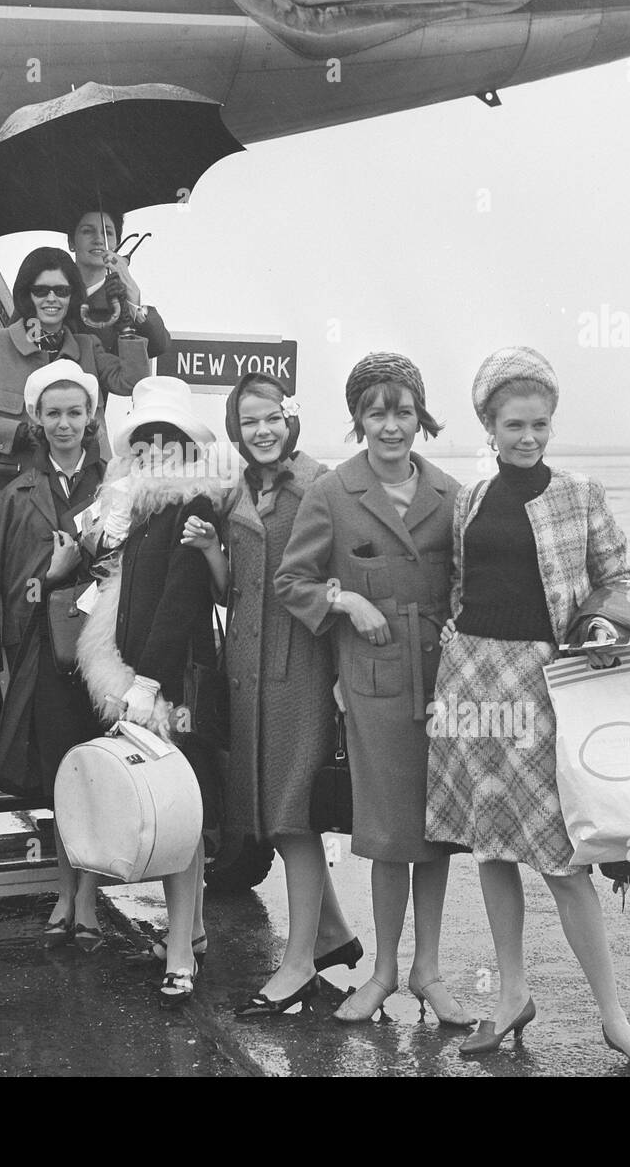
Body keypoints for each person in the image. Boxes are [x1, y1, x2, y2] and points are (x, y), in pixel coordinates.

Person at [426, 346, 630, 1076]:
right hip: (471, 680)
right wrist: (451, 627)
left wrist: (603, 627)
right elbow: (461, 587)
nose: (528, 436)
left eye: (539, 423)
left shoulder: (581, 493)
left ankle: (613, 1017)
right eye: (514, 424)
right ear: (489, 424)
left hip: (546, 683)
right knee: (492, 844)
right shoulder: (470, 499)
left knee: (564, 859)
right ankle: (510, 995)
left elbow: (618, 580)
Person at [275, 353, 472, 1027]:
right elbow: (292, 580)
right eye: (378, 411)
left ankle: (430, 970)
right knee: (389, 833)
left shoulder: (450, 492)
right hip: (373, 685)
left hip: (444, 686)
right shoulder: (332, 490)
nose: (392, 425)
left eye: (404, 411)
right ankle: (385, 970)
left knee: (439, 831)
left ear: (422, 416)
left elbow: (467, 589)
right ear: (359, 418)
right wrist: (346, 604)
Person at [76, 376, 238, 1006]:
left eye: (166, 439)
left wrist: (147, 682)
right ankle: (190, 933)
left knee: (180, 820)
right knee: (178, 814)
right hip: (144, 683)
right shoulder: (142, 510)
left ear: (185, 448)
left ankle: (178, 953)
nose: (153, 449)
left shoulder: (191, 505)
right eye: (145, 439)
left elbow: (181, 599)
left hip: (175, 687)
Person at [214, 372, 359, 1018]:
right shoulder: (236, 490)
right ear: (235, 431)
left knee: (292, 815)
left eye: (271, 417)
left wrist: (340, 673)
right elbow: (235, 592)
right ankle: (330, 934)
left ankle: (298, 965)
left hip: (300, 667)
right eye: (249, 422)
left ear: (290, 419)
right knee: (272, 808)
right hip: (247, 674)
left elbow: (341, 577)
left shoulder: (317, 486)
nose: (262, 430)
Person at [0, 248, 151, 648]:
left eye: (62, 290)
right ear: (26, 295)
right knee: (10, 622)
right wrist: (22, 433)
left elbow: (133, 382)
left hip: (77, 504)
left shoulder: (88, 345)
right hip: (16, 508)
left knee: (77, 618)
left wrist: (130, 307)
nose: (52, 299)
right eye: (41, 291)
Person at [0, 360, 106, 949]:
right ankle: (63, 888)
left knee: (100, 774)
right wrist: (51, 579)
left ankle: (89, 897)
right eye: (53, 413)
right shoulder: (19, 493)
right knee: (61, 775)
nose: (64, 423)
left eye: (75, 412)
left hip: (104, 651)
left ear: (91, 416)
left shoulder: (115, 485)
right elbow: (4, 582)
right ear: (34, 418)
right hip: (45, 651)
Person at [67, 209, 169, 361]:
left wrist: (132, 292)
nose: (99, 240)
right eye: (88, 231)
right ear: (71, 242)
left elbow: (158, 345)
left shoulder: (122, 299)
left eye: (107, 233)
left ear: (116, 243)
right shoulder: (49, 292)